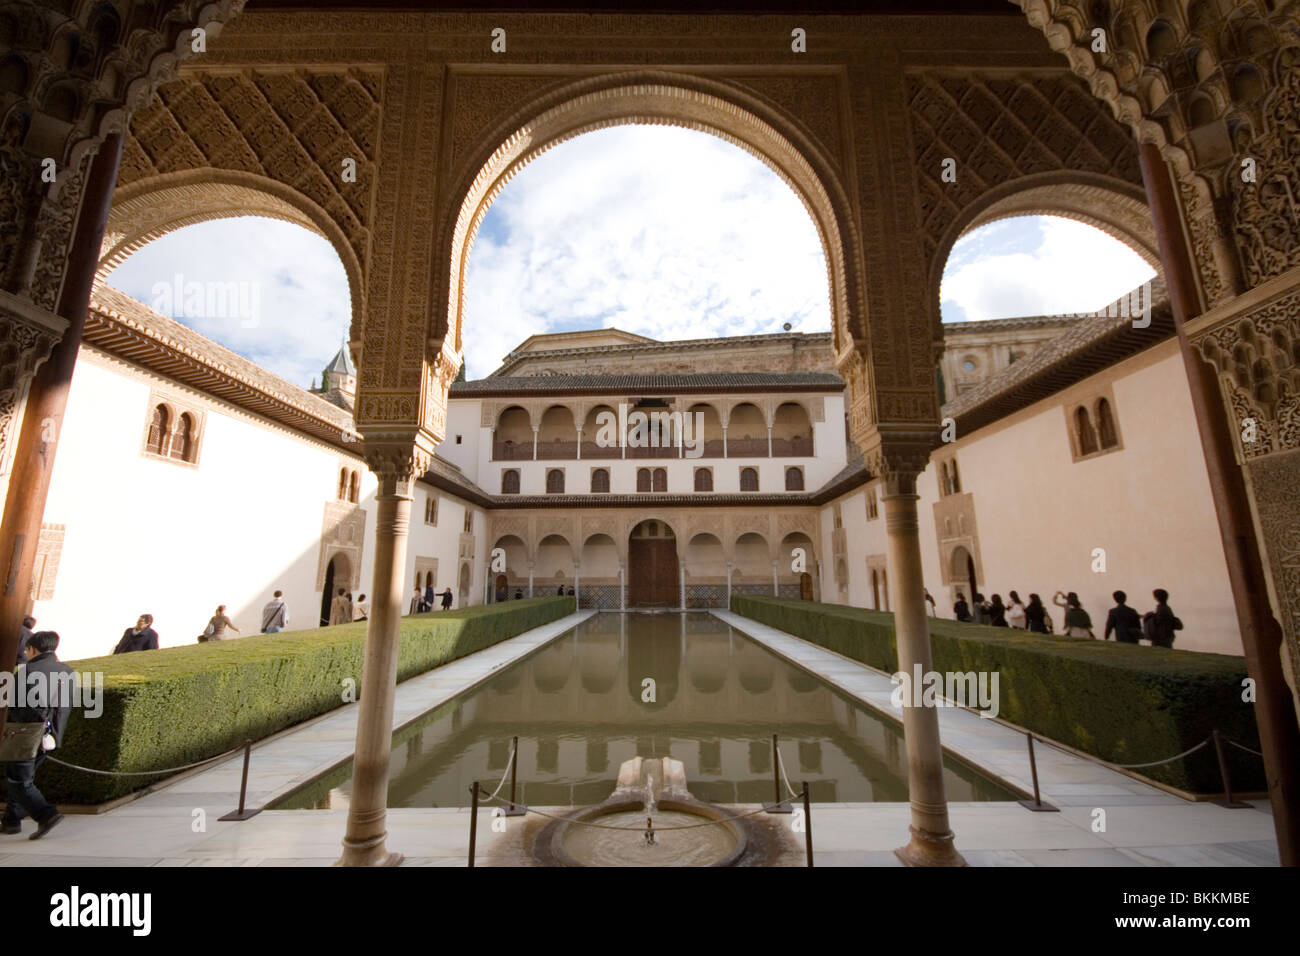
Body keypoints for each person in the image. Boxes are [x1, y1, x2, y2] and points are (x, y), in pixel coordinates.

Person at [2, 630, 73, 839]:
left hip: (25, 734)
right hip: (49, 737)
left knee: (19, 781)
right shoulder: (66, 671)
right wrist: (54, 734)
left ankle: (46, 815)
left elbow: (16, 707)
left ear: (33, 649)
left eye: (27, 649)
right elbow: (64, 708)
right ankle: (11, 821)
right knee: (23, 778)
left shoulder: (26, 672)